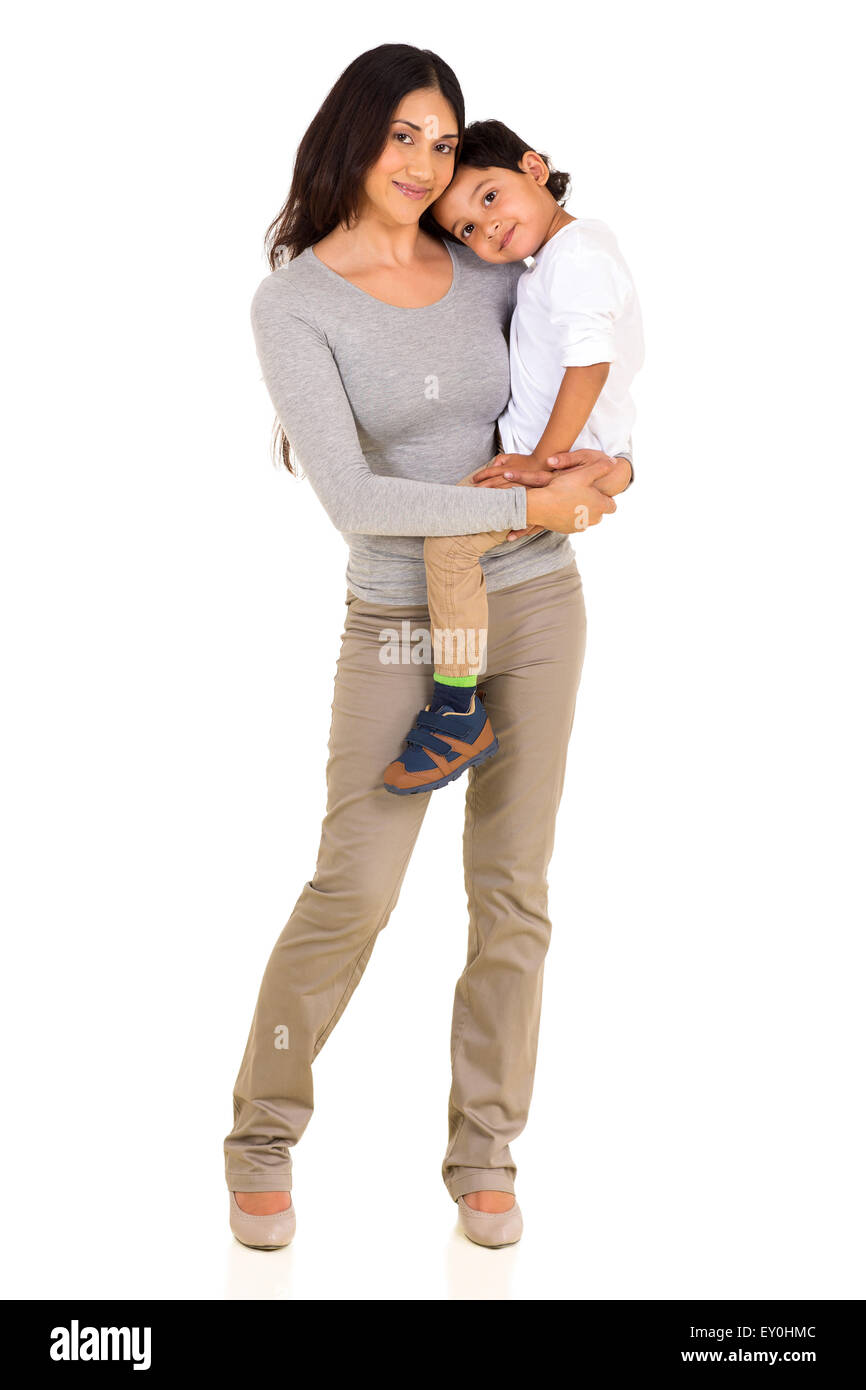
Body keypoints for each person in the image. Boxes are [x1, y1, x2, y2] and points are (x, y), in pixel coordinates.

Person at [224, 43, 633, 1252]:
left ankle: (485, 1151)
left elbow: (581, 389)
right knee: (354, 887)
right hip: (401, 614)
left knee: (512, 893)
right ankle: (260, 1131)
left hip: (539, 604)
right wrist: (525, 504)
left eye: (444, 142)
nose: (424, 163)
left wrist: (611, 468)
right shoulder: (295, 300)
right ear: (351, 133)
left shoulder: (482, 260)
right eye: (403, 134)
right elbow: (353, 499)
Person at [383, 119, 642, 794]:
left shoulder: (578, 255)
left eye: (489, 199)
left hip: (560, 467)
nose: (485, 230)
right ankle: (461, 705)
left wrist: (542, 462)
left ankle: (457, 708)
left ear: (533, 167)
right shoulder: (555, 260)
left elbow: (590, 364)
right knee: (454, 548)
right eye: (466, 229)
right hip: (581, 461)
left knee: (446, 551)